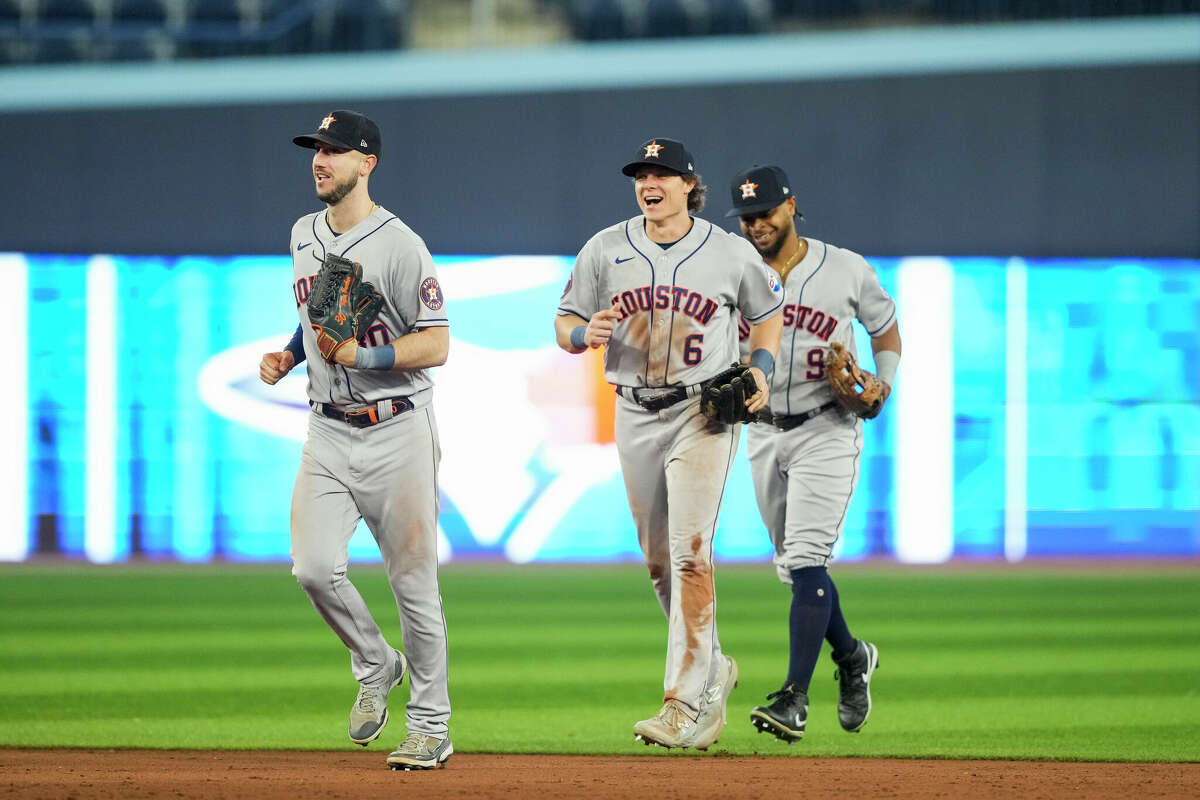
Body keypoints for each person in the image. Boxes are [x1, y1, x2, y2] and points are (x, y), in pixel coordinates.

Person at [555, 138, 784, 749]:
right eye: (641, 174)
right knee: (659, 562)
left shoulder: (730, 252)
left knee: (690, 552)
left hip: (701, 410)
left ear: (689, 186)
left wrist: (759, 368)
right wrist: (584, 333)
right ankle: (713, 670)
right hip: (632, 411)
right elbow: (564, 324)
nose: (648, 183)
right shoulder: (605, 248)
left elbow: (768, 315)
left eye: (662, 174)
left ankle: (683, 704)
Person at [258, 109, 453, 771]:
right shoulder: (302, 233)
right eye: (317, 148)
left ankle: (430, 727)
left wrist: (365, 360)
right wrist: (291, 354)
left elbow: (438, 342)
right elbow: (319, 319)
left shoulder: (400, 245)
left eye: (335, 151)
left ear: (367, 163)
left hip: (396, 427)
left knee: (413, 585)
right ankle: (376, 662)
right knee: (312, 567)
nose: (320, 159)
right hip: (325, 429)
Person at [726, 164, 900, 743]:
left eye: (766, 214)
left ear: (792, 206)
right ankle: (852, 657)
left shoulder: (844, 269)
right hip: (763, 430)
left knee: (804, 560)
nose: (757, 226)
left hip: (829, 428)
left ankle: (794, 699)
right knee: (797, 569)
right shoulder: (734, 270)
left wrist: (885, 381)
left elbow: (887, 328)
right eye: (747, 217)